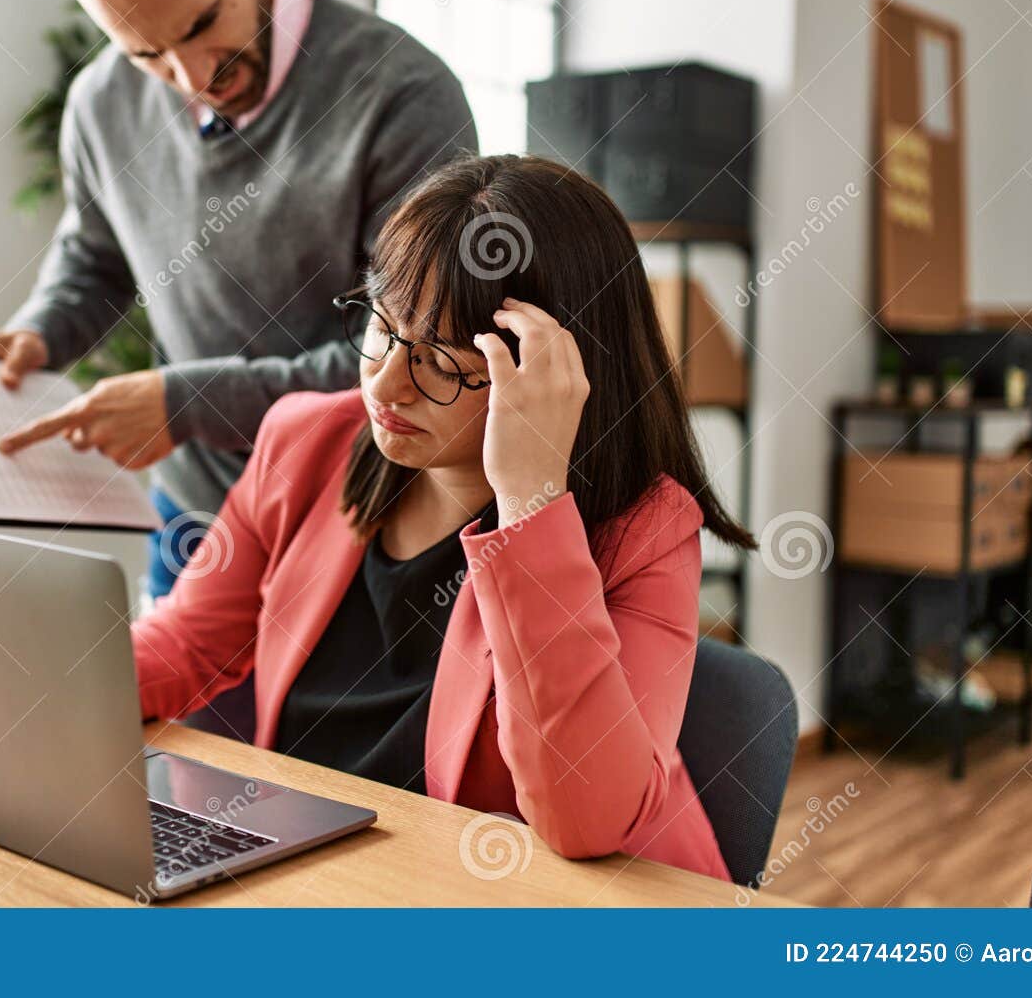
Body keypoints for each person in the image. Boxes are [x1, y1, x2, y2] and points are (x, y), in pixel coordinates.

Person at [130, 154, 757, 874]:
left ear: (553, 372)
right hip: (312, 878)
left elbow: (585, 819)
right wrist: (40, 684)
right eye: (384, 328)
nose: (389, 385)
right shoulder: (305, 438)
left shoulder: (644, 529)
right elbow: (186, 645)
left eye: (442, 360)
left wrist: (531, 504)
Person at [0, 0, 476, 618]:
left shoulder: (402, 95)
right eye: (147, 54)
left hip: (365, 523)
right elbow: (95, 262)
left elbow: (415, 365)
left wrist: (186, 404)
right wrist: (38, 335)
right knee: (170, 736)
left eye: (205, 23)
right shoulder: (100, 105)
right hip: (195, 523)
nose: (193, 79)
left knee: (311, 746)